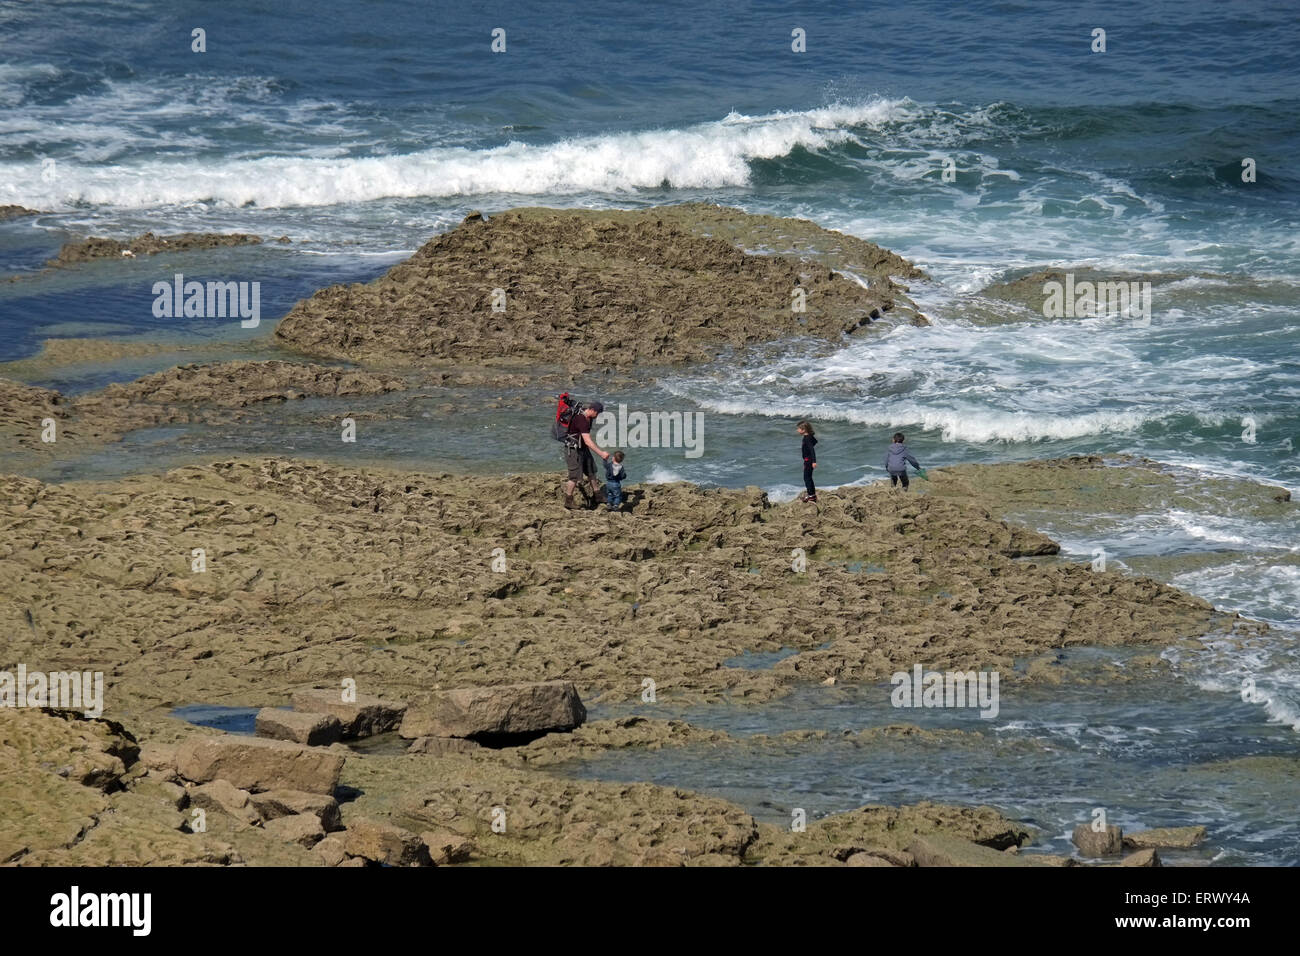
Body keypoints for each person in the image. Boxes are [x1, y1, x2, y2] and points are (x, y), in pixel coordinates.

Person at [563, 400, 610, 510]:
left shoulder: (588, 416)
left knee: (591, 471)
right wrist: (601, 453)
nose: (597, 416)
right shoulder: (581, 419)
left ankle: (597, 495)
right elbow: (588, 441)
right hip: (573, 450)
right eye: (597, 413)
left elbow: (586, 441)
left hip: (583, 448)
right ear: (592, 410)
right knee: (574, 477)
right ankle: (568, 500)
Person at [797, 420, 818, 503]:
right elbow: (815, 442)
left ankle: (811, 496)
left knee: (807, 478)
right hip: (808, 460)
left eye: (798, 429)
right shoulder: (809, 437)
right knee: (809, 477)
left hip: (808, 461)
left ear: (803, 430)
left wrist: (814, 461)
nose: (797, 430)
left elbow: (812, 450)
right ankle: (812, 494)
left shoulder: (807, 439)